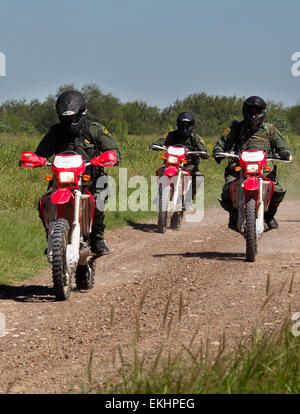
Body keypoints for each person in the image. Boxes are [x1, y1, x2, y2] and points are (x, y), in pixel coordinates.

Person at [35, 90, 121, 256]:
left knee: (97, 203)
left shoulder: (94, 129)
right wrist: (35, 159)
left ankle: (97, 239)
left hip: (92, 180)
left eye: (73, 117)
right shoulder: (56, 132)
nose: (69, 121)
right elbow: (41, 152)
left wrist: (112, 157)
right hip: (62, 181)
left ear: (82, 114)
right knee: (44, 203)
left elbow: (114, 150)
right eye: (65, 118)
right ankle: (52, 238)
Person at [212, 96, 291, 231]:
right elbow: (222, 143)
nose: (254, 113)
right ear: (245, 111)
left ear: (263, 111)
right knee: (226, 193)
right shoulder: (236, 128)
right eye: (250, 110)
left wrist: (284, 152)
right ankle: (234, 215)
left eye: (257, 110)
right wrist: (219, 150)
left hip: (264, 169)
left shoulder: (270, 129)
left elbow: (282, 145)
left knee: (278, 191)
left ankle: (269, 216)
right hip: (239, 169)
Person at [150, 111, 209, 207]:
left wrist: (202, 152)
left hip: (189, 165)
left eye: (187, 124)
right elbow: (161, 141)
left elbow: (203, 149)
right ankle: (160, 195)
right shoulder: (171, 135)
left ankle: (188, 199)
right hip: (171, 163)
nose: (184, 127)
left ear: (191, 125)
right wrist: (156, 145)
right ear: (178, 124)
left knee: (198, 177)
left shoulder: (195, 137)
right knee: (161, 171)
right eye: (182, 124)